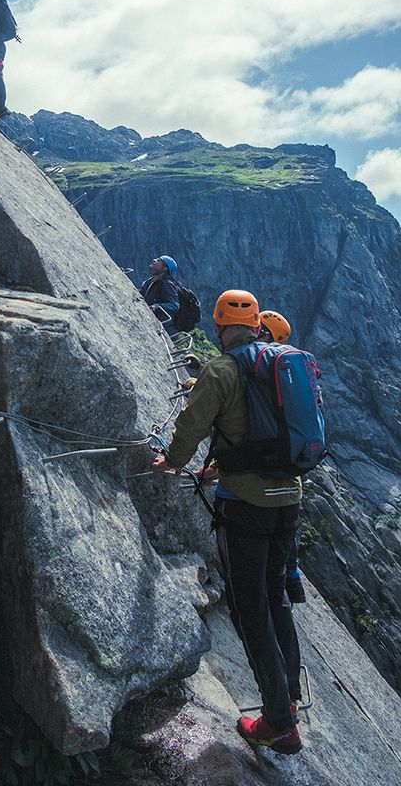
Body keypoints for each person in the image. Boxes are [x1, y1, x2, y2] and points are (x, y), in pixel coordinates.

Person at [153, 289, 303, 756]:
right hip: (288, 499)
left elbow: (194, 423)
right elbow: (264, 432)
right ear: (255, 323)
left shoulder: (222, 368)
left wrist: (172, 461)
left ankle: (278, 721)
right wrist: (218, 467)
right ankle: (291, 697)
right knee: (276, 594)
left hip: (247, 506)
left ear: (220, 325)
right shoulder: (278, 361)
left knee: (249, 606)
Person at [259, 309, 306, 605]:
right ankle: (294, 581)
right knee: (286, 533)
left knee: (271, 558)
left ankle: (279, 596)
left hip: (267, 472)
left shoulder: (261, 367)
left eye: (258, 328)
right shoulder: (291, 373)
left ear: (266, 335)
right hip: (293, 472)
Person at [139, 256, 180, 338]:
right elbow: (140, 293)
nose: (154, 260)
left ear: (165, 268)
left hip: (164, 329)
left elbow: (175, 305)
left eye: (159, 260)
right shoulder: (151, 281)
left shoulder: (167, 284)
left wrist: (157, 306)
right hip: (152, 322)